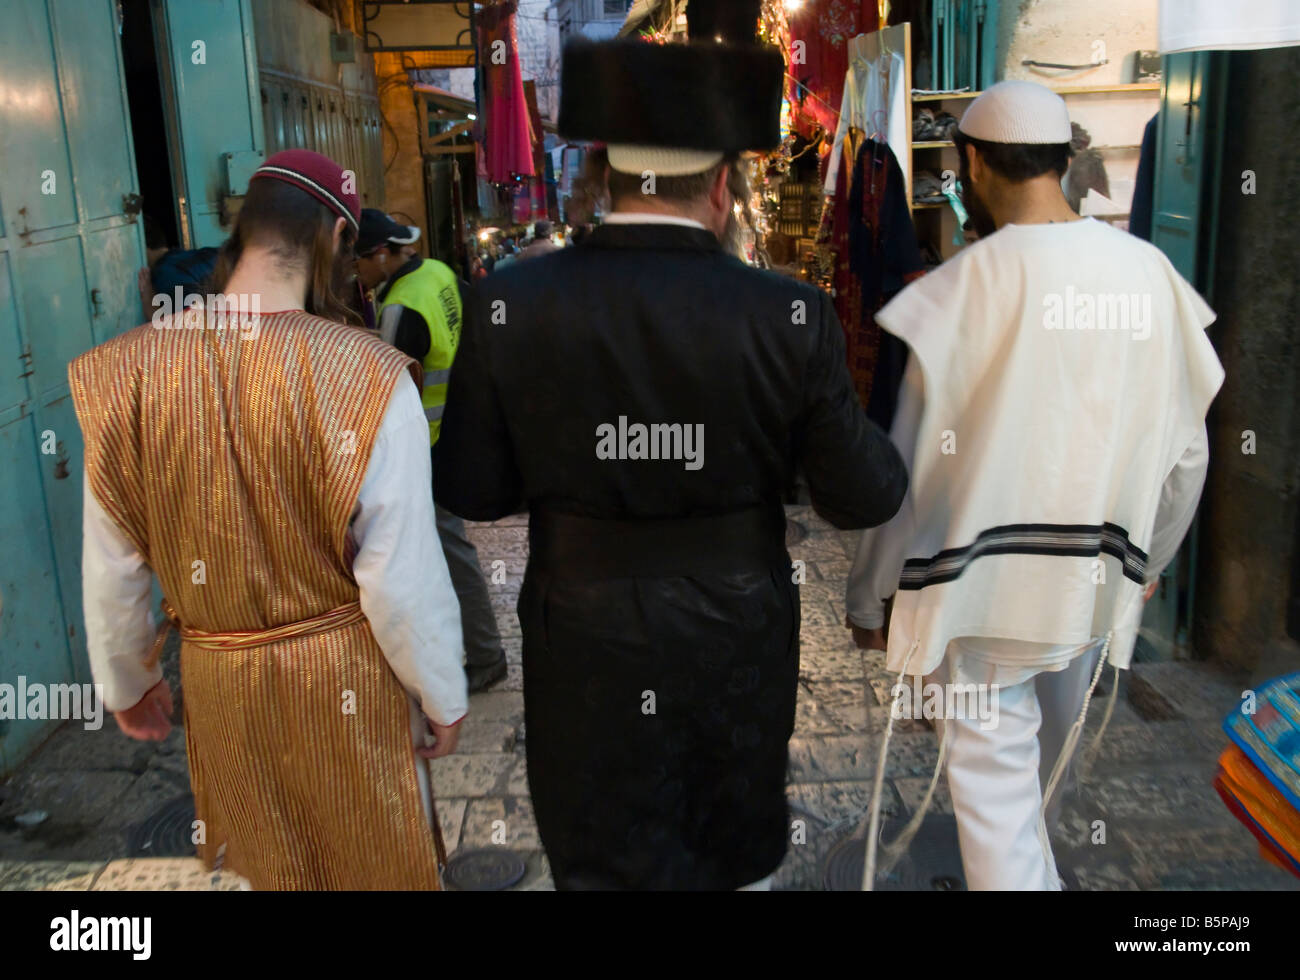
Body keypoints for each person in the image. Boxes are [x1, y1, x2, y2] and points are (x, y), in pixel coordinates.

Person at [435, 1, 908, 891]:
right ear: (723, 184)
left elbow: (474, 488)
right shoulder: (789, 315)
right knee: (728, 852)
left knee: (600, 854)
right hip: (734, 634)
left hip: (580, 630)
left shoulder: (512, 304)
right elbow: (865, 495)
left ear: (604, 173)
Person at [844, 81, 1225, 890]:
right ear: (1065, 160)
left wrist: (871, 599)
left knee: (999, 813)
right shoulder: (1148, 275)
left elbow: (903, 474)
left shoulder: (956, 292)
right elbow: (1186, 456)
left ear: (974, 163)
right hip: (1089, 587)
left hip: (978, 603)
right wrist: (1147, 564)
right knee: (1043, 795)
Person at [71, 150, 468, 890]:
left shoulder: (125, 371)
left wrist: (126, 678)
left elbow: (113, 560)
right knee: (376, 862)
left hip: (221, 681)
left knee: (266, 870)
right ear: (334, 246)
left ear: (241, 235)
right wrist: (441, 690)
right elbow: (399, 577)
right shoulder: (366, 374)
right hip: (345, 678)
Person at [355, 209, 508, 691]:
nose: (352, 272)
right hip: (461, 432)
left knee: (446, 546)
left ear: (380, 256)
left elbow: (384, 391)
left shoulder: (400, 309)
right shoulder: (439, 272)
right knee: (443, 546)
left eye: (356, 261)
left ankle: (484, 654)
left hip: (429, 445)